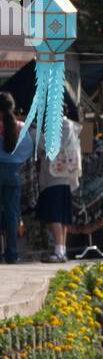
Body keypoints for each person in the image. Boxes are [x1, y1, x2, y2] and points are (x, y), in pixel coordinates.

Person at [37, 113, 82, 263]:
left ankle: (58, 251)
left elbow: (48, 146)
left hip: (54, 176)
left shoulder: (57, 126)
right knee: (62, 218)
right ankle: (61, 251)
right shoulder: (69, 126)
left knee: (55, 216)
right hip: (65, 176)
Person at [0, 92, 33, 264]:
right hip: (14, 172)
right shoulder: (20, 126)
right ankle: (12, 254)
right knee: (13, 214)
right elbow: (28, 149)